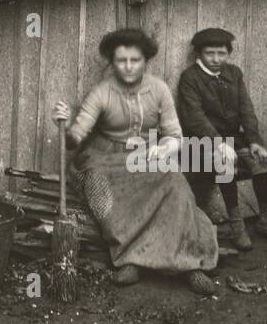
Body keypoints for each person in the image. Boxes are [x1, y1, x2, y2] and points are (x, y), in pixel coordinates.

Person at [59, 28, 219, 296]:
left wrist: (165, 148)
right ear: (112, 62)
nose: (129, 67)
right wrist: (64, 128)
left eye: (135, 60)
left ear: (146, 60)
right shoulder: (102, 92)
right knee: (100, 187)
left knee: (175, 182)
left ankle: (191, 263)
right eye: (122, 61)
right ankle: (132, 259)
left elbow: (174, 135)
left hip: (145, 155)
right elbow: (77, 135)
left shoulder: (159, 90)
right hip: (105, 158)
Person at [176, 27, 267, 249]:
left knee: (261, 161)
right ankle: (237, 226)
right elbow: (194, 118)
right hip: (201, 143)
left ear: (228, 54)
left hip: (234, 138)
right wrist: (219, 144)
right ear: (199, 54)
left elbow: (246, 110)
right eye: (209, 53)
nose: (215, 59)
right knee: (225, 163)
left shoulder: (234, 74)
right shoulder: (190, 78)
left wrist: (254, 142)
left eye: (221, 53)